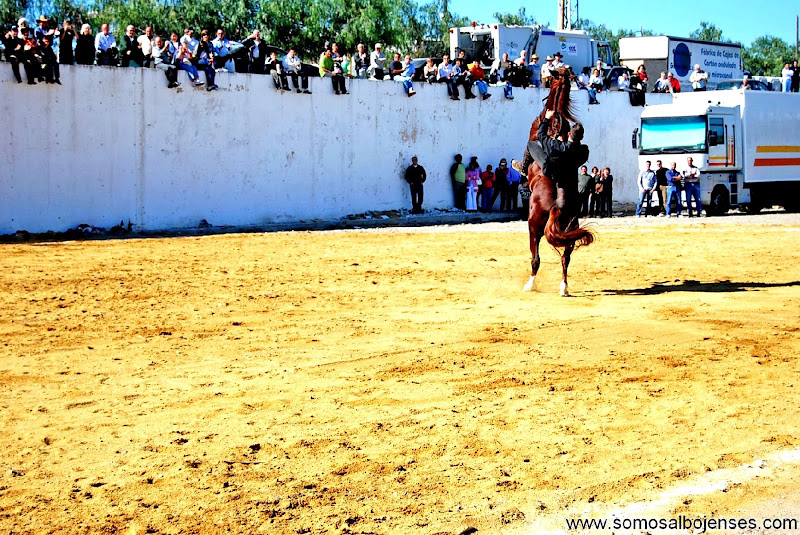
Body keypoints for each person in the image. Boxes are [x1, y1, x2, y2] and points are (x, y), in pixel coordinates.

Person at [537, 109, 590, 219]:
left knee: (532, 145)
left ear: (569, 133)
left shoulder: (557, 146)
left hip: (554, 174)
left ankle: (523, 168)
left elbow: (541, 136)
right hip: (571, 182)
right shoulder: (584, 151)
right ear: (582, 138)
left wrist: (547, 119)